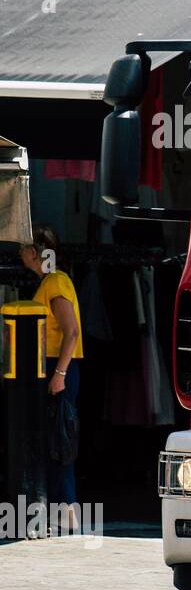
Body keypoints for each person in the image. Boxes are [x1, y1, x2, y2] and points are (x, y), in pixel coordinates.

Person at [19, 226, 83, 531]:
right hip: (57, 369)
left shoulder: (56, 282)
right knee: (56, 441)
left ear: (34, 252)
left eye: (22, 249)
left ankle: (67, 516)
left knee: (60, 442)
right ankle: (62, 517)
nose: (19, 255)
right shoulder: (50, 281)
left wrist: (59, 374)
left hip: (60, 369)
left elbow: (71, 332)